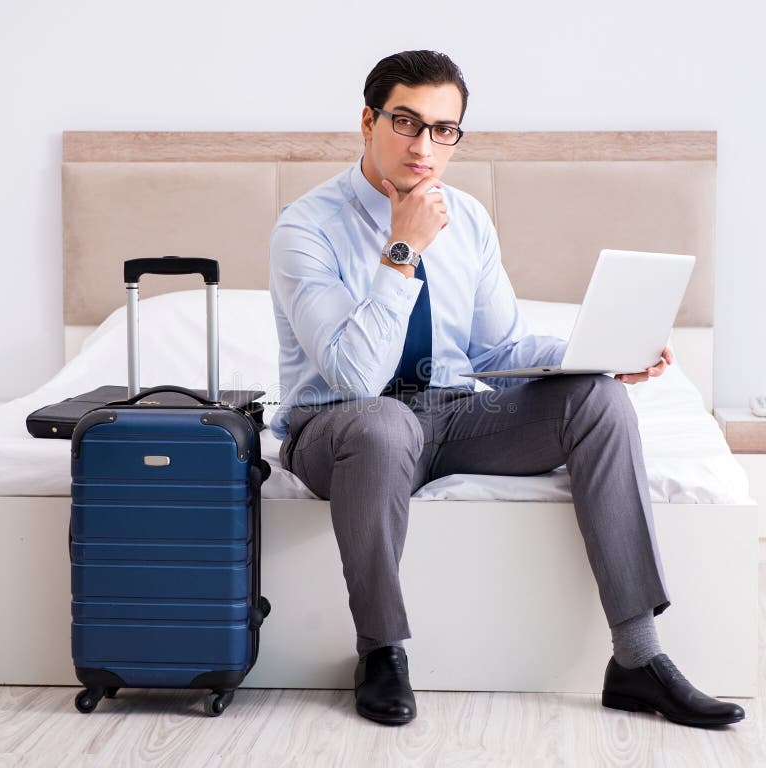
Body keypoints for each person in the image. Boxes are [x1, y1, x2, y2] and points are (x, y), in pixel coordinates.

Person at [268, 50, 744, 728]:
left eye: (443, 129)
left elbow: (499, 349)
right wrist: (401, 251)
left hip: (457, 415)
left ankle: (637, 658)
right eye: (406, 122)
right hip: (341, 429)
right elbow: (354, 376)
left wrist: (602, 355)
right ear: (368, 121)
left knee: (598, 400)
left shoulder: (467, 218)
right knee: (382, 424)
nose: (423, 145)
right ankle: (380, 650)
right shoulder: (304, 226)